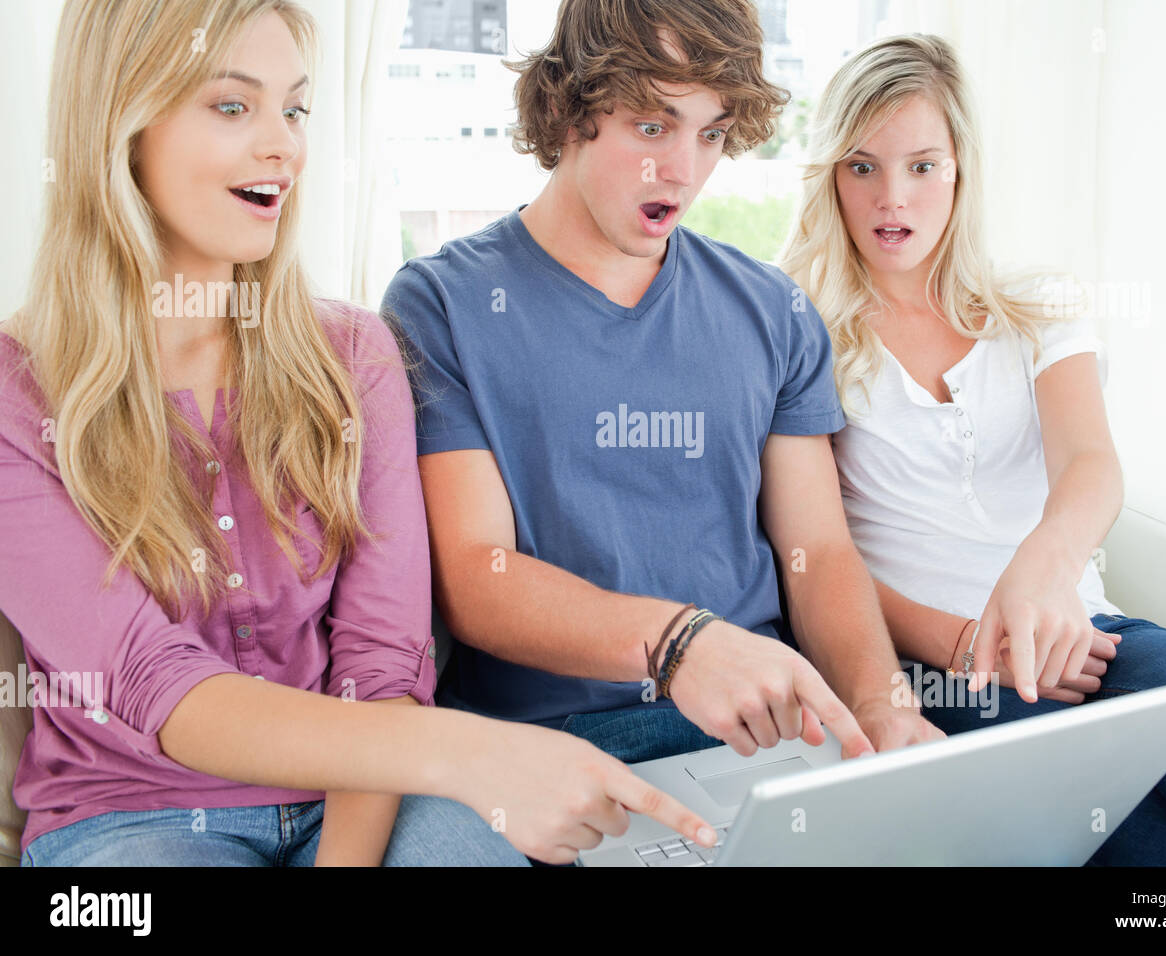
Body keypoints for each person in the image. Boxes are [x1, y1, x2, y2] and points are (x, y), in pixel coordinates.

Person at [0, 0, 715, 868]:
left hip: (364, 800)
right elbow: (164, 689)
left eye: (295, 110)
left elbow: (382, 667)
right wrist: (472, 752)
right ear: (121, 122)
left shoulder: (353, 354)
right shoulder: (18, 390)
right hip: (128, 819)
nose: (286, 148)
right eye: (234, 107)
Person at [382, 0, 945, 773]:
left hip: (770, 738)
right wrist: (679, 644)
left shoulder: (771, 311)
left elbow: (817, 547)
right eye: (653, 125)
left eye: (710, 133)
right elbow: (477, 577)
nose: (681, 170)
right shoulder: (441, 303)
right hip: (564, 750)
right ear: (565, 108)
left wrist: (881, 707)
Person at [778, 33, 1166, 865]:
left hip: (1088, 633)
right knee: (1159, 852)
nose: (893, 200)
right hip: (937, 670)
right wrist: (967, 642)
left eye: (923, 165)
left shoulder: (1037, 304)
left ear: (961, 170)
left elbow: (1090, 464)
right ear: (829, 174)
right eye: (862, 166)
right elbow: (812, 554)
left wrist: (1046, 569)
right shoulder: (799, 334)